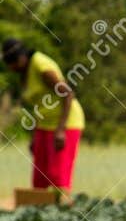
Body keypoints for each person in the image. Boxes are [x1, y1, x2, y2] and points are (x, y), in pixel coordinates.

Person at [2, 38, 85, 194]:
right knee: (39, 180)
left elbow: (67, 94)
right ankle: (41, 215)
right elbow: (39, 106)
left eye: (12, 64)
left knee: (57, 178)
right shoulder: (25, 72)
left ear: (20, 58)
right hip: (44, 125)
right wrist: (35, 136)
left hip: (66, 124)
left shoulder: (41, 66)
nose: (11, 68)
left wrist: (61, 130)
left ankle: (64, 213)